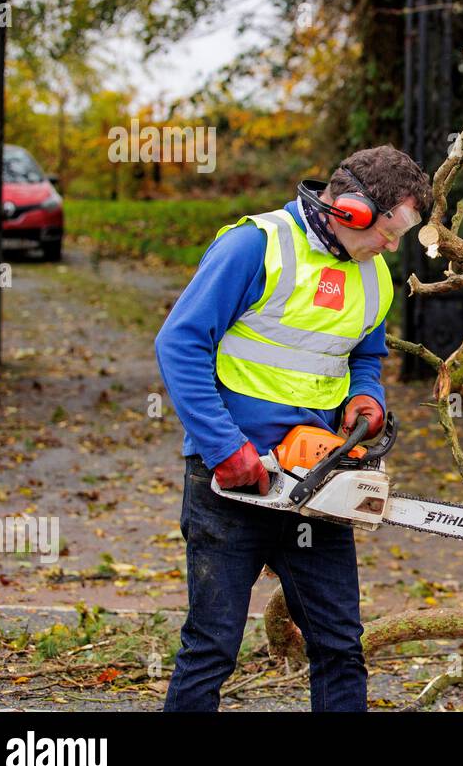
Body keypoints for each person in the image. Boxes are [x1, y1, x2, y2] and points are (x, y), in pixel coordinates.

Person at [154, 144, 431, 711]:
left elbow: (366, 356)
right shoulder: (255, 246)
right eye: (390, 227)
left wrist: (366, 397)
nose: (392, 243)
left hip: (321, 477)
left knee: (338, 645)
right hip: (233, 481)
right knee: (211, 646)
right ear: (350, 209)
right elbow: (179, 343)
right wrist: (225, 447)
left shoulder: (372, 274)